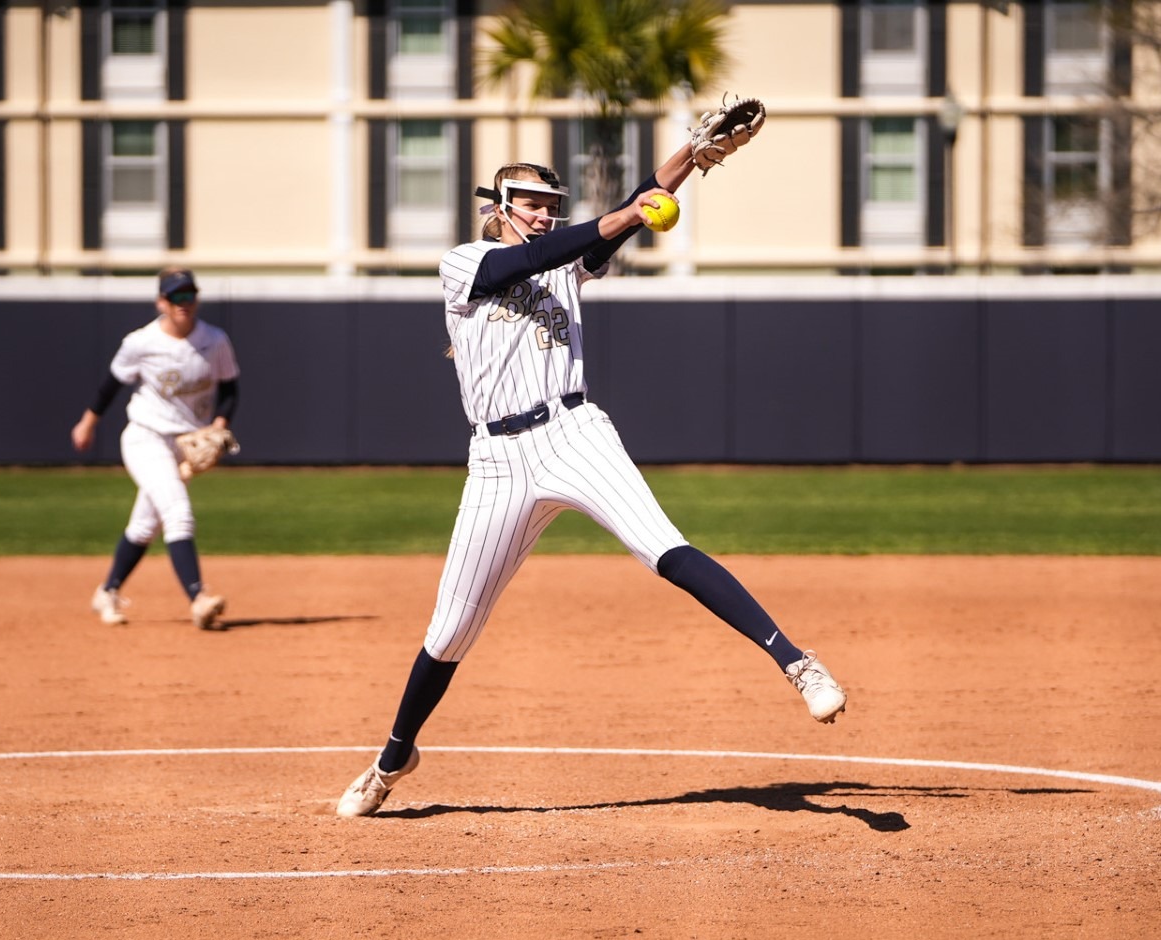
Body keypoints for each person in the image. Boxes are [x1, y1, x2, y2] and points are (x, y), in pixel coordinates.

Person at [335, 142, 848, 818]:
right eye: (530, 204)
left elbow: (629, 208)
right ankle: (394, 757)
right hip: (497, 460)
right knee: (451, 629)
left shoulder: (565, 261)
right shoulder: (464, 262)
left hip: (574, 433)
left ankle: (796, 663)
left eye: (550, 206)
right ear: (499, 208)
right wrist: (628, 213)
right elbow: (538, 255)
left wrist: (691, 156)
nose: (543, 215)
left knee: (662, 546)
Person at [70, 268, 239, 630]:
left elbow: (229, 388)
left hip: (185, 445)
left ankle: (107, 591)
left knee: (145, 525)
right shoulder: (141, 342)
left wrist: (220, 424)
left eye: (189, 295)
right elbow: (111, 386)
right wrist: (87, 422)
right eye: (176, 296)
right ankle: (198, 599)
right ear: (161, 302)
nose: (184, 303)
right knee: (177, 511)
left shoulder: (215, 340)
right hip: (146, 438)